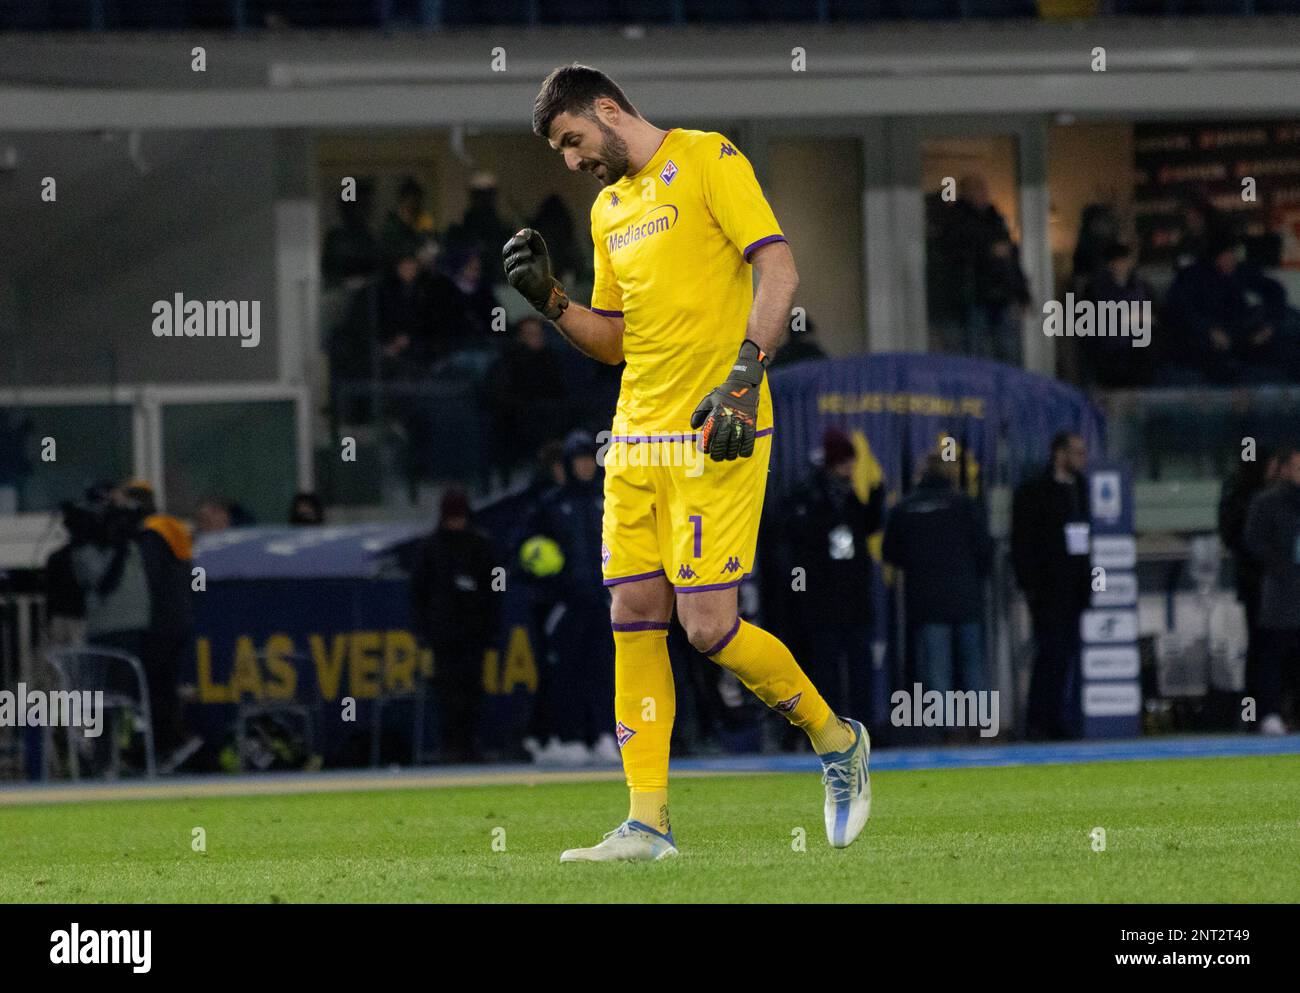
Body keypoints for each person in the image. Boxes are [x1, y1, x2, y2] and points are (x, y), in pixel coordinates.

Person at [504, 64, 871, 861]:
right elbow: (616, 340)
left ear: (607, 110)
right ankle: (648, 822)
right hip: (634, 436)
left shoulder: (710, 159)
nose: (572, 162)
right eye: (562, 152)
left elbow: (780, 269)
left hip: (719, 426)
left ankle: (837, 739)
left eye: (573, 141)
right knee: (633, 613)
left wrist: (747, 372)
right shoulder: (607, 211)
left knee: (708, 627)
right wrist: (555, 303)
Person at [520, 431, 618, 765]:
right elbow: (521, 552)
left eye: (591, 459)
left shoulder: (608, 501)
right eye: (579, 460)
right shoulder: (549, 505)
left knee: (603, 671)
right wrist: (549, 585)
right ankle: (570, 736)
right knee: (566, 673)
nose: (586, 466)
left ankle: (604, 735)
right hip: (565, 606)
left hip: (601, 603)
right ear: (567, 463)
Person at [883, 454, 993, 740]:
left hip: (927, 602)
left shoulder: (906, 508)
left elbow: (890, 553)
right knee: (973, 667)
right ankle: (981, 725)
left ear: (921, 475)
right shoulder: (964, 505)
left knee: (937, 672)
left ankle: (946, 730)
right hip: (967, 599)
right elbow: (984, 550)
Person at [782, 427, 883, 731]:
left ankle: (861, 726)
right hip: (824, 599)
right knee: (826, 667)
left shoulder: (847, 494)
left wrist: (876, 502)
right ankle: (828, 726)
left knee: (859, 665)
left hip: (852, 597)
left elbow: (863, 530)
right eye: (845, 463)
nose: (850, 469)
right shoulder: (812, 495)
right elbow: (799, 541)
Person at [1010, 431, 1092, 740]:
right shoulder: (1034, 491)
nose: (1083, 459)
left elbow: (1085, 539)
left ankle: (1056, 716)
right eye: (1078, 452)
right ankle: (1039, 719)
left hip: (1074, 588)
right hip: (1046, 589)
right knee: (1050, 653)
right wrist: (1029, 584)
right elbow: (1023, 542)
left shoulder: (1080, 489)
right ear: (1060, 453)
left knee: (1065, 654)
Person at [409, 487, 499, 763]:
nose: (456, 524)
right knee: (447, 691)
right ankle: (449, 745)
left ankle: (470, 744)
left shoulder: (481, 546)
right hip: (443, 633)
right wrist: (422, 630)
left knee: (473, 690)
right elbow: (418, 592)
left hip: (474, 632)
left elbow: (494, 591)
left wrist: (491, 628)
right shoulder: (431, 548)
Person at [1164, 234, 1291, 384]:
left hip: (1238, 332)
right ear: (1215, 257)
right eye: (1227, 255)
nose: (1231, 260)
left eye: (1233, 255)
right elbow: (1182, 309)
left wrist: (1269, 326)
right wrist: (1208, 330)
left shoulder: (1240, 271)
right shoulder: (1192, 276)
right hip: (1203, 338)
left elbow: (1275, 290)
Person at [931, 174, 1030, 366]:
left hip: (1002, 295)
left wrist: (1022, 294)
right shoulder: (956, 221)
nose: (983, 194)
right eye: (977, 190)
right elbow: (955, 255)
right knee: (978, 353)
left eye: (983, 189)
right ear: (966, 193)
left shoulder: (996, 219)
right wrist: (988, 251)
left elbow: (1011, 259)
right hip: (975, 297)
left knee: (1009, 351)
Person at [1243, 445, 1300, 735]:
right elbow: (1252, 541)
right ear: (1287, 468)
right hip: (1280, 594)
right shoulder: (1266, 502)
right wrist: (1280, 565)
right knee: (1272, 658)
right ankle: (1268, 714)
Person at [1080, 241, 1157, 387]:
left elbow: (1154, 316)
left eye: (1124, 261)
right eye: (1117, 262)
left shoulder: (1142, 287)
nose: (1121, 266)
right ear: (1109, 264)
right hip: (1108, 350)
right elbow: (1087, 321)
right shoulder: (1095, 288)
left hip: (1137, 350)